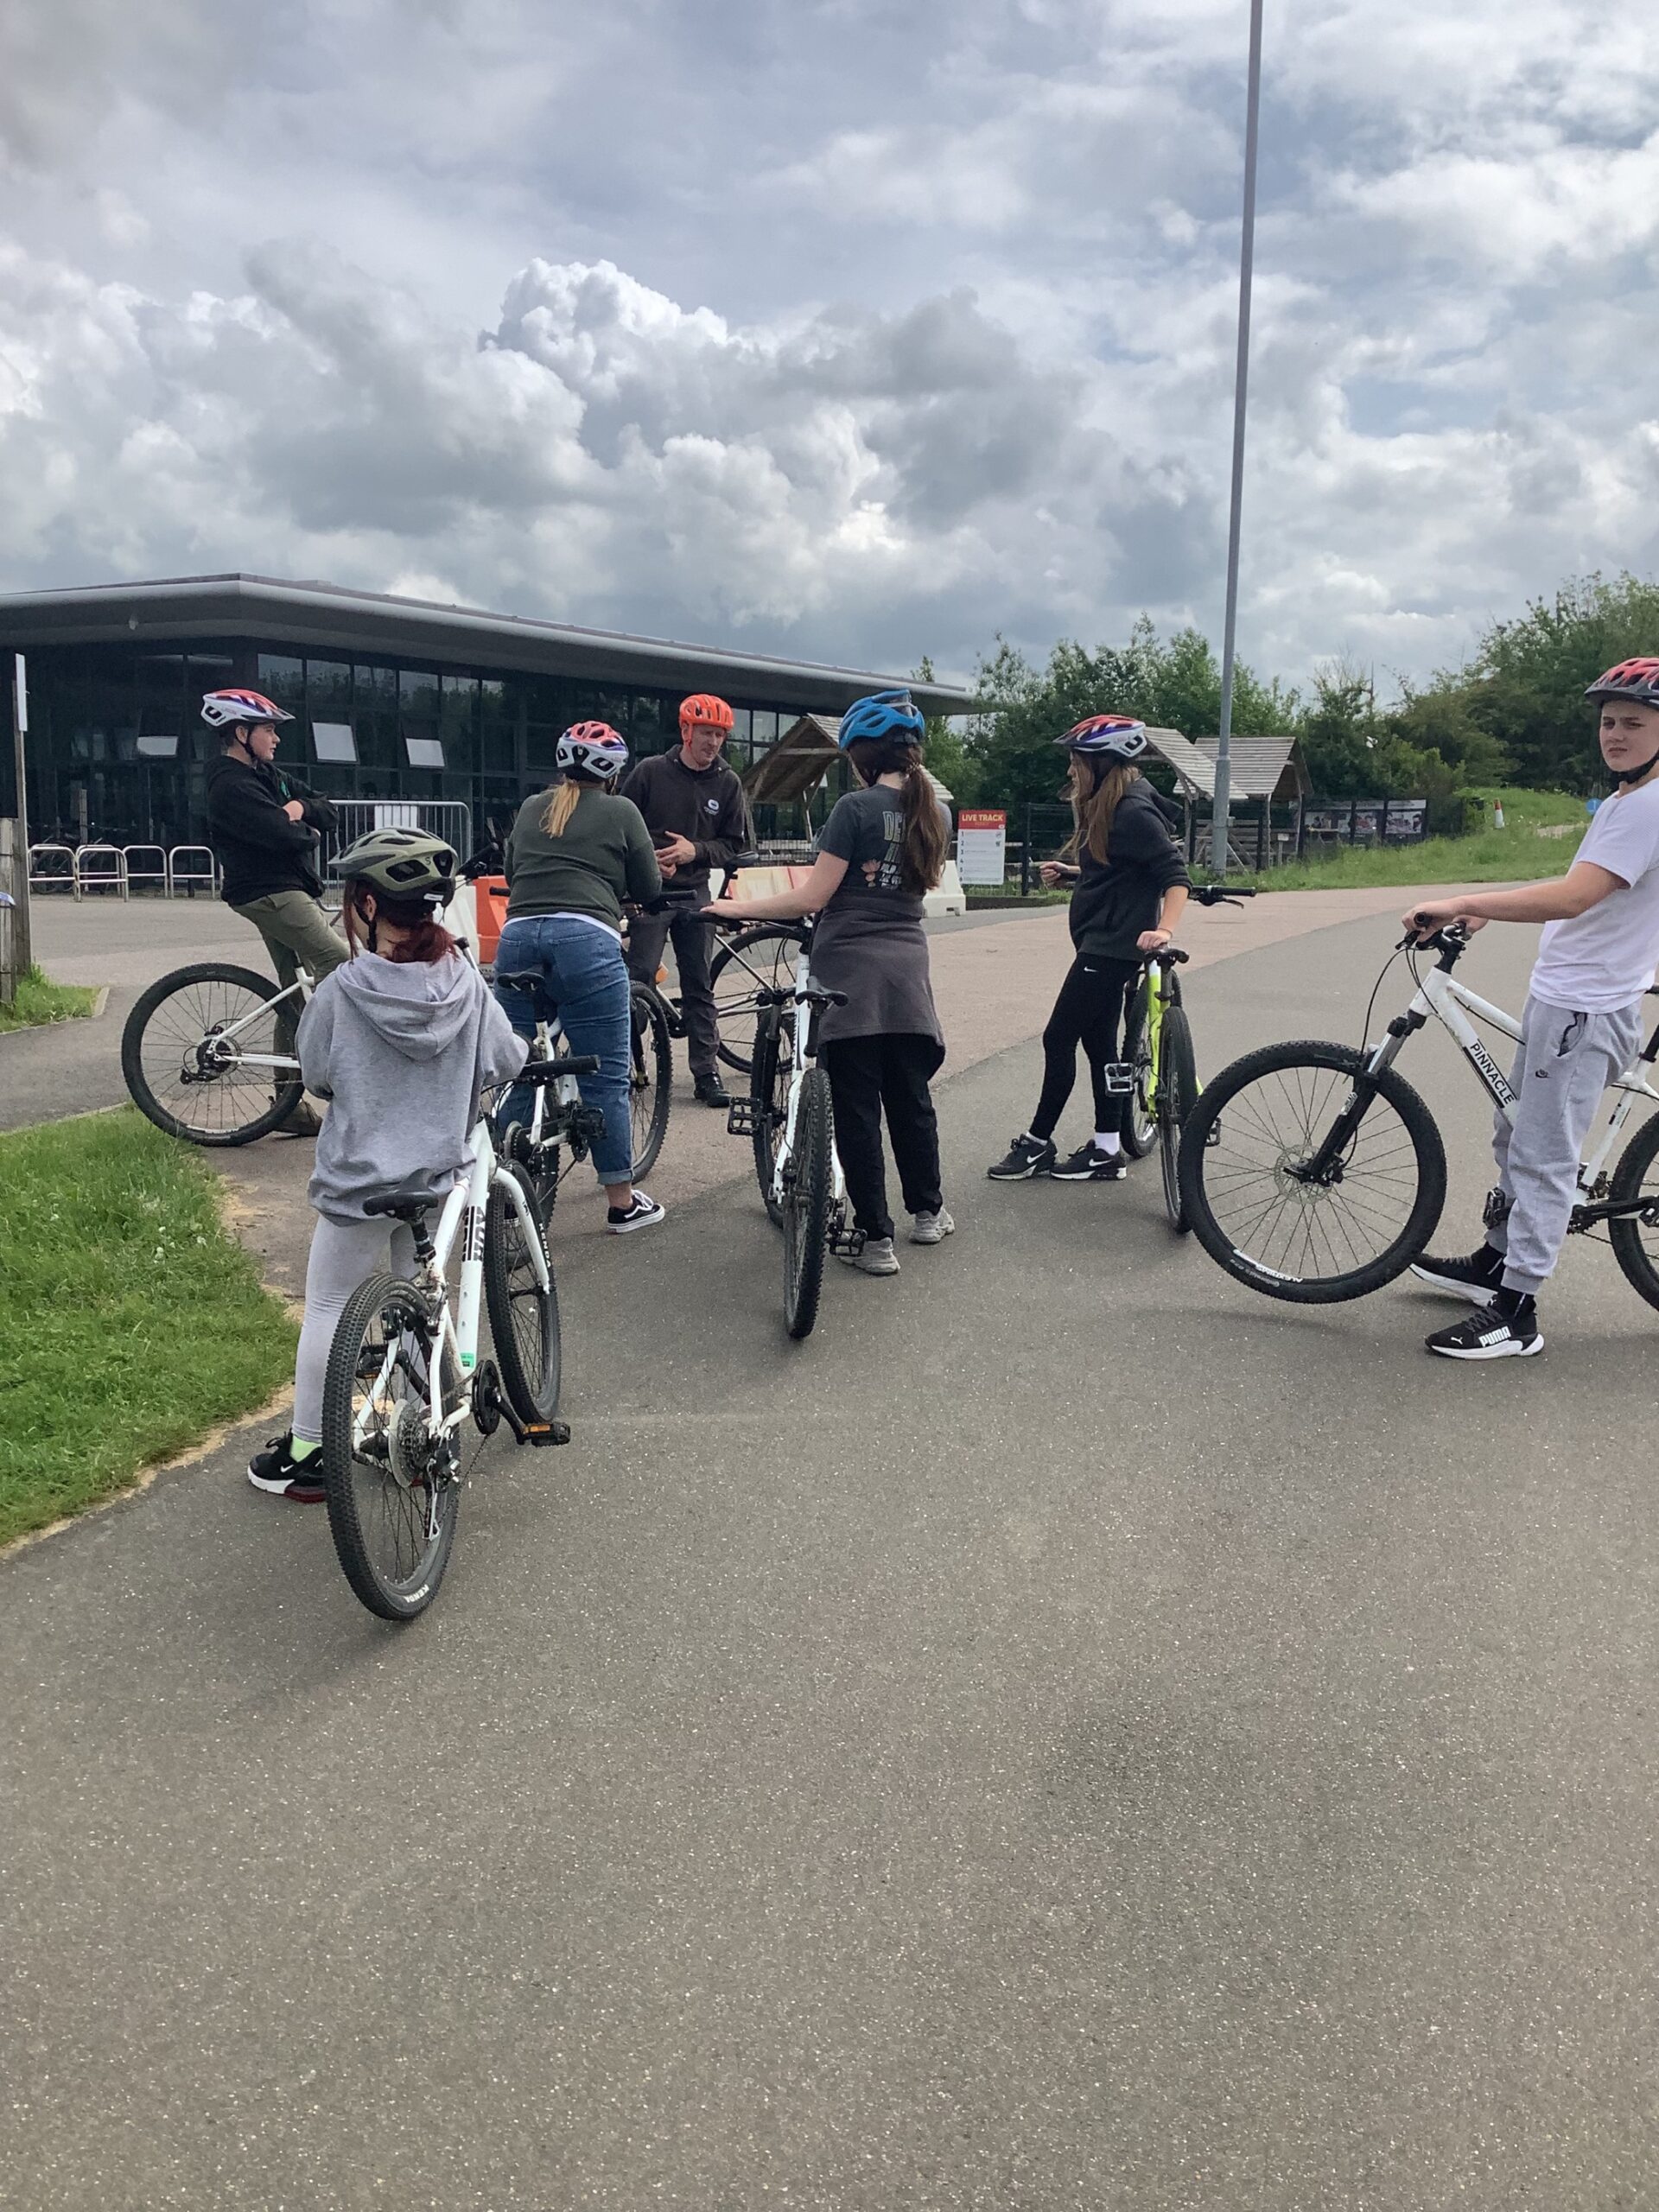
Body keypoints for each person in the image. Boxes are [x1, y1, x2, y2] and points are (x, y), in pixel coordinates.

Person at [246, 830, 527, 1501]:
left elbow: (315, 1075)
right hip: (437, 1180)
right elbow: (506, 1059)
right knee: (420, 1306)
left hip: (359, 1187)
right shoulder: (467, 985)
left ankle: (309, 1451)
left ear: (367, 907)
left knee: (329, 1307)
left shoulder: (343, 992)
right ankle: (414, 1427)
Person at [1404, 658, 1659, 1361]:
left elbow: (1576, 899)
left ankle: (1516, 1313)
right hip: (1566, 995)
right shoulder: (1622, 801)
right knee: (1516, 1130)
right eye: (1609, 722)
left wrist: (1466, 901)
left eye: (1634, 724)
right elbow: (1579, 885)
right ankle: (1494, 1262)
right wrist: (1493, 912)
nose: (1616, 734)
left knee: (1544, 1153)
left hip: (1585, 1007)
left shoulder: (1646, 808)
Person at [706, 689, 951, 1275]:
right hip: (908, 971)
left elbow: (815, 897)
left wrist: (733, 911)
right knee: (911, 1100)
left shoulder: (855, 809)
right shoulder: (935, 809)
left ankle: (876, 1240)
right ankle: (929, 1213)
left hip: (848, 971)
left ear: (863, 755)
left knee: (858, 1105)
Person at [988, 715, 1190, 1184]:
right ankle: (1106, 1148)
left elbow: (1175, 877)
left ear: (1102, 763)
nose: (1070, 772)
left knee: (1057, 1038)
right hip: (1104, 942)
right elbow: (1124, 871)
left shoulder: (1133, 814)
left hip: (1110, 949)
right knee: (1100, 1045)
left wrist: (1165, 929)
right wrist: (1076, 873)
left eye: (1075, 762)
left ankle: (1038, 1143)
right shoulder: (1114, 806)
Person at [493, 721, 667, 1234]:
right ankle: (621, 1202)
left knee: (516, 1065)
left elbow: (512, 871)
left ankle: (505, 1190)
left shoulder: (530, 808)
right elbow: (649, 884)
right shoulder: (621, 811)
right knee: (606, 1075)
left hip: (518, 937)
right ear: (613, 772)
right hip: (586, 941)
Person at [202, 687, 346, 1137]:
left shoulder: (268, 775)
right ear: (240, 733)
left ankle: (286, 1103)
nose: (276, 739)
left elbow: (327, 810)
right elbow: (290, 838)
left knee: (293, 992)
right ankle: (337, 1062)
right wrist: (304, 828)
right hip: (271, 892)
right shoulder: (231, 785)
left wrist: (300, 808)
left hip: (281, 888)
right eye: (268, 730)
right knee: (338, 962)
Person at [620, 694, 752, 1109]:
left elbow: (734, 844)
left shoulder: (727, 783)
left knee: (699, 984)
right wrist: (648, 864)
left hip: (695, 893)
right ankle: (623, 1063)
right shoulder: (650, 773)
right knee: (636, 981)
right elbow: (621, 826)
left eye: (720, 735)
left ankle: (706, 1073)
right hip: (650, 894)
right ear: (685, 731)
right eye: (706, 733)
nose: (713, 743)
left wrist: (694, 851)